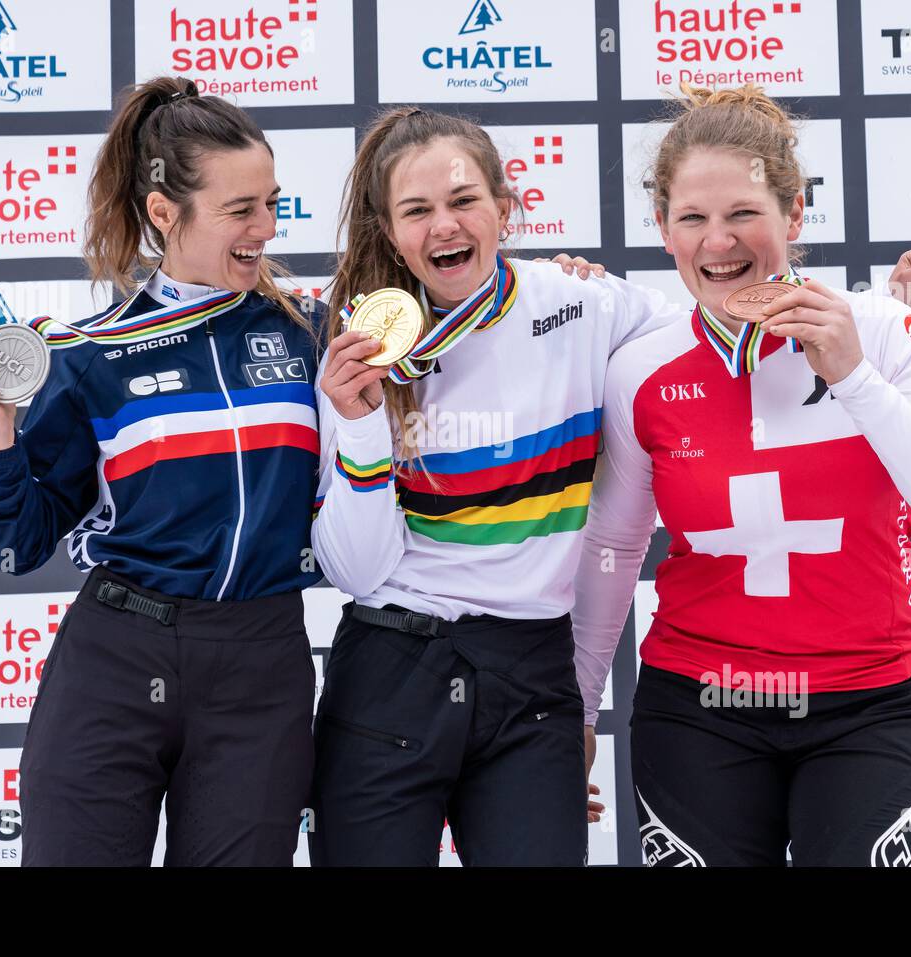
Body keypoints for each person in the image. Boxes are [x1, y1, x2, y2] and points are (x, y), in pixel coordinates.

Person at [571, 84, 911, 867]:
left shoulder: (879, 328)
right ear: (663, 230)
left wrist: (855, 378)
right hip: (700, 706)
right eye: (692, 219)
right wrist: (577, 709)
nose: (718, 243)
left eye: (743, 213)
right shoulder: (639, 367)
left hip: (868, 704)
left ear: (794, 216)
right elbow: (612, 544)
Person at [0, 77, 322, 866]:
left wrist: (564, 287)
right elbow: (15, 545)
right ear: (164, 213)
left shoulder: (310, 334)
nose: (266, 228)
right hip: (119, 656)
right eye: (241, 209)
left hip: (261, 662)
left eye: (272, 202)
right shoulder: (91, 355)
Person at [308, 107, 692, 866]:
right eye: (416, 211)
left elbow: (716, 323)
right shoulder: (355, 348)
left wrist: (887, 312)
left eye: (463, 200)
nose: (443, 225)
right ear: (389, 232)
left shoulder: (580, 304)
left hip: (531, 679)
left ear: (504, 209)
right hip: (391, 669)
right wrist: (358, 425)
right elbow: (355, 570)